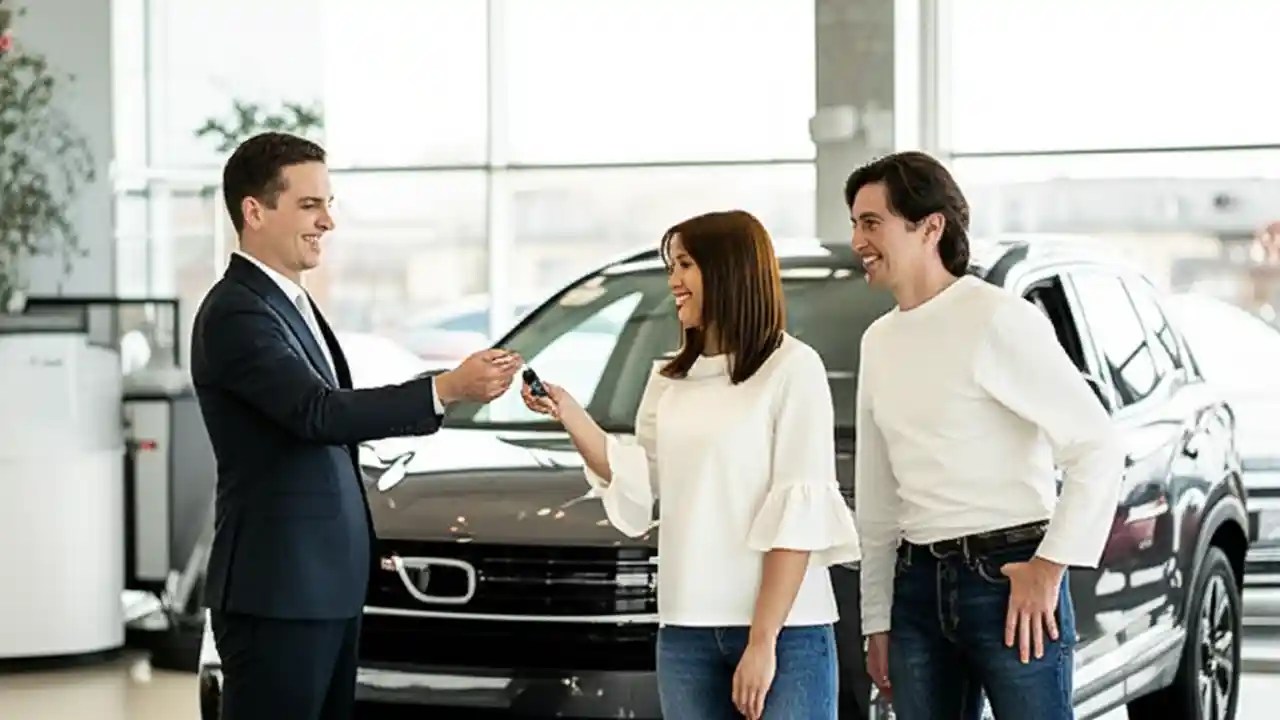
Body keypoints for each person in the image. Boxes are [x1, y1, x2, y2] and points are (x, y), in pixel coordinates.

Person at [189, 131, 520, 720]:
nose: (327, 223)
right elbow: (317, 412)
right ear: (254, 211)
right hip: (279, 590)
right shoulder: (236, 311)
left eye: (329, 205)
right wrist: (443, 389)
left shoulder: (289, 303)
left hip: (321, 586)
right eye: (310, 206)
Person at [518, 209, 861, 720]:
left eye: (684, 264)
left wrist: (762, 642)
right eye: (671, 265)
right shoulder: (670, 378)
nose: (673, 280)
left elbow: (799, 513)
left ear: (727, 272)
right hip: (685, 632)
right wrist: (569, 412)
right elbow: (639, 479)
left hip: (785, 633)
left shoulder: (793, 368)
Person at [848, 151, 1125, 719]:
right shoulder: (878, 341)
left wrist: (1049, 568)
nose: (858, 240)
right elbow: (877, 500)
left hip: (1009, 581)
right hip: (917, 590)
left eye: (871, 222)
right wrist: (877, 620)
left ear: (930, 228)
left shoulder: (998, 318)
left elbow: (1096, 445)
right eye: (854, 223)